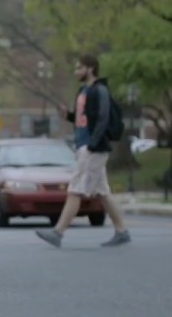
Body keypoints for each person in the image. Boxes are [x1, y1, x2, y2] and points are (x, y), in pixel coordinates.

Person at [37, 54, 131, 248]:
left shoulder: (100, 90)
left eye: (79, 68)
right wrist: (68, 116)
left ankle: (58, 233)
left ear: (90, 68)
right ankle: (122, 231)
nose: (76, 72)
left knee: (75, 190)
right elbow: (85, 120)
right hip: (84, 145)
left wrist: (91, 145)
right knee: (103, 193)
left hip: (93, 148)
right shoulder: (83, 91)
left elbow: (103, 119)